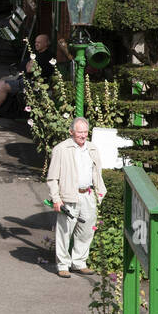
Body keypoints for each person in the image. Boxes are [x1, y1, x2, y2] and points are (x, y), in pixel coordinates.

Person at [46, 117, 106, 277]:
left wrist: (99, 192)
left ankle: (79, 262)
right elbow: (52, 178)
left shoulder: (92, 148)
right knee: (64, 232)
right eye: (80, 132)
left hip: (88, 194)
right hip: (69, 196)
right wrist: (56, 198)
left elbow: (97, 173)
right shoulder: (61, 149)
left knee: (86, 231)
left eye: (86, 132)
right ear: (71, 132)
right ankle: (63, 265)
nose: (83, 135)